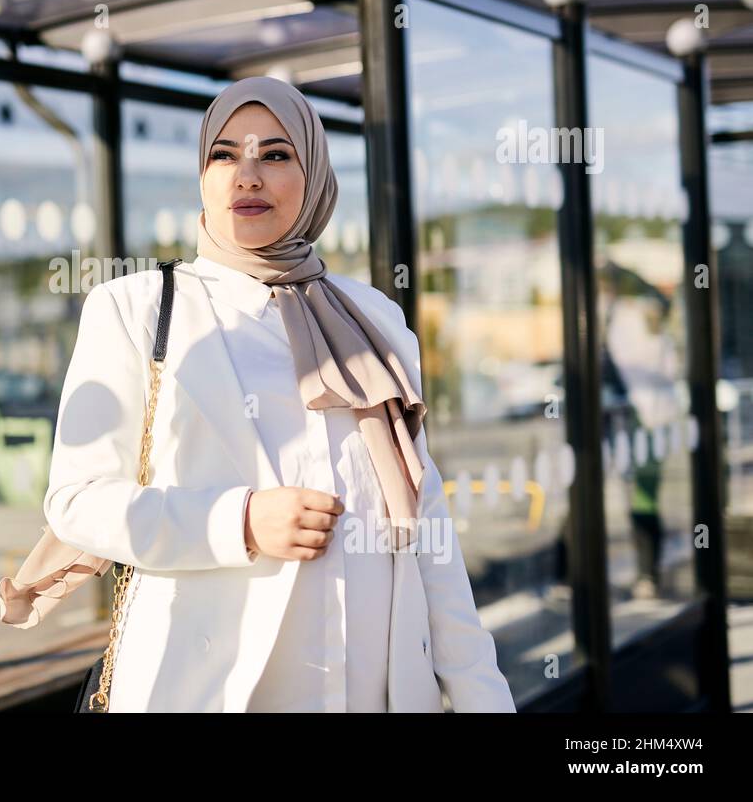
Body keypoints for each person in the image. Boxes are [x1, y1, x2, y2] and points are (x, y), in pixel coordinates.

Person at [42, 76, 515, 713]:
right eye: (224, 154)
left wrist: (483, 697)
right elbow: (77, 502)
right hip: (209, 691)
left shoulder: (372, 319)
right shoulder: (135, 307)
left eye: (275, 154)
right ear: (203, 176)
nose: (247, 176)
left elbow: (426, 518)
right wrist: (239, 521)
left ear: (315, 175)